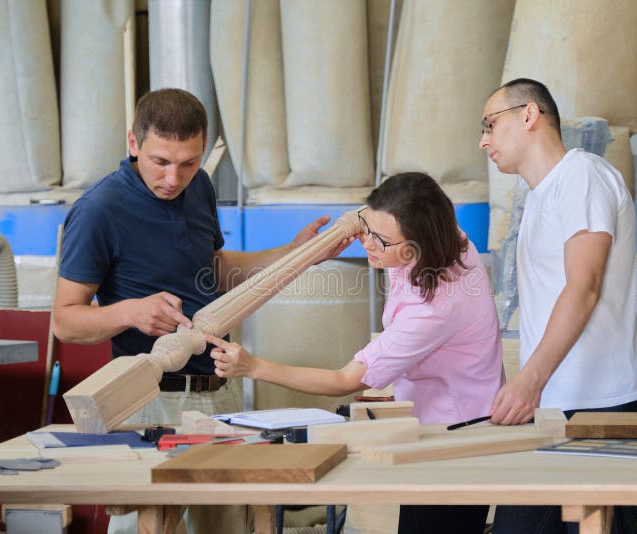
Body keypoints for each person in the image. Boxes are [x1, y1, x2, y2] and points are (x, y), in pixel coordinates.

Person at [53, 88, 348, 534]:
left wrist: (292, 253)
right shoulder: (99, 210)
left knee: (227, 525)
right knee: (150, 524)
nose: (174, 178)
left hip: (219, 393)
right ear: (133, 143)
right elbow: (65, 321)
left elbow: (215, 271)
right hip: (150, 399)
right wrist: (130, 312)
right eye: (160, 162)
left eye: (188, 163)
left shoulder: (200, 188)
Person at [208, 172, 505, 534]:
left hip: (457, 441)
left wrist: (252, 366)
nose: (368, 244)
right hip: (439, 421)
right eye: (368, 229)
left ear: (417, 246)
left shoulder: (432, 309)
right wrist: (352, 225)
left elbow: (343, 380)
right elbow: (382, 211)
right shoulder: (444, 236)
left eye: (380, 240)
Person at [479, 78, 637, 534]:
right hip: (556, 408)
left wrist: (529, 381)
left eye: (491, 125)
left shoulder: (582, 176)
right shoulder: (540, 196)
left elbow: (584, 286)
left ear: (530, 115)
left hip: (599, 408)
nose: (484, 141)